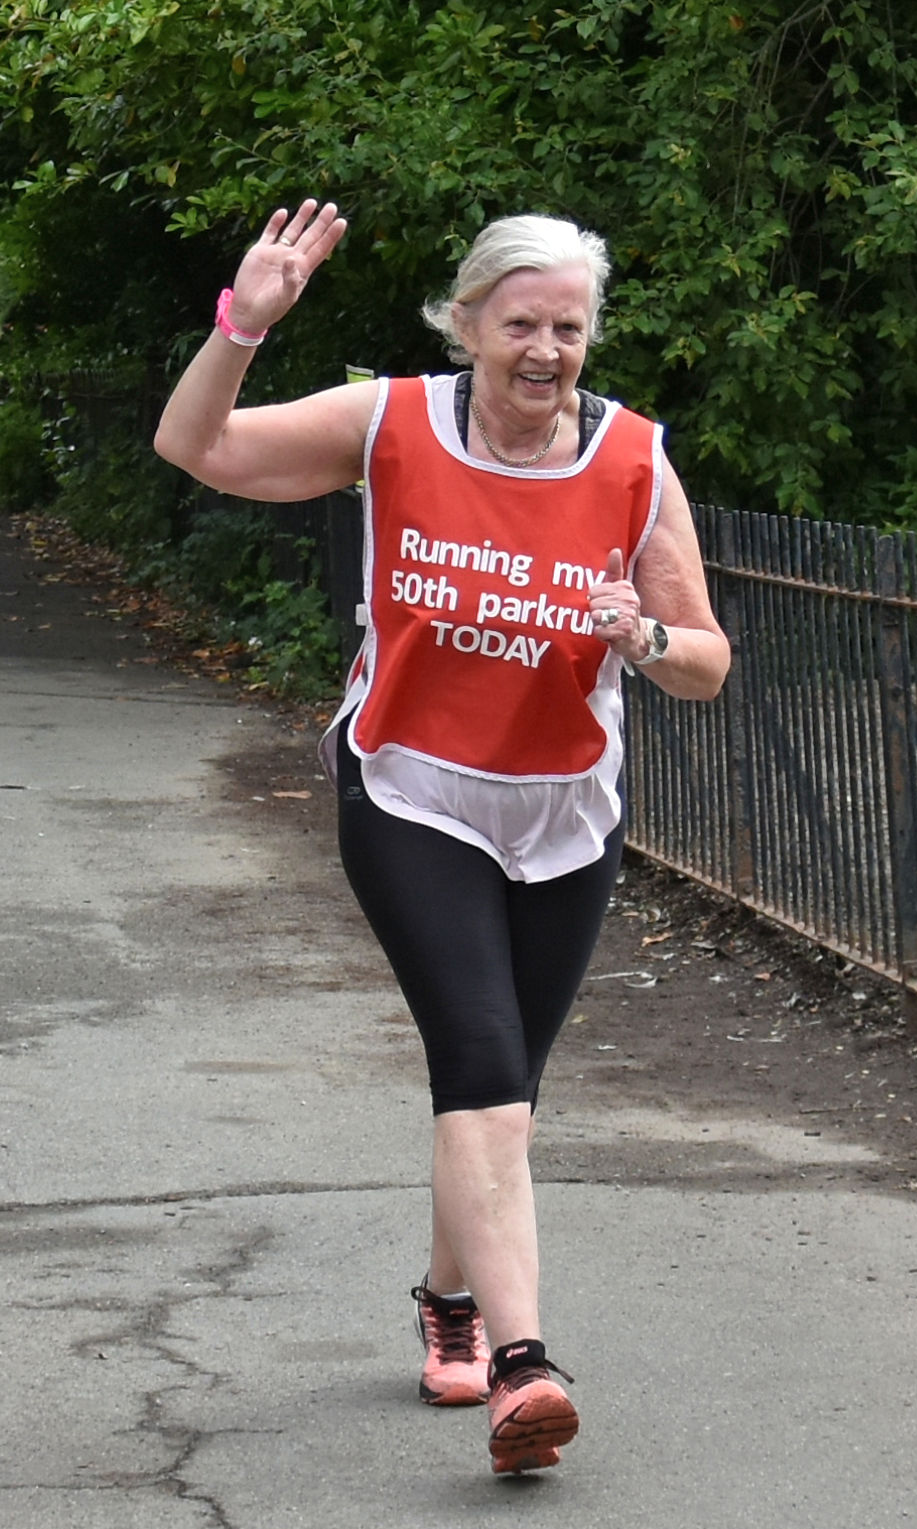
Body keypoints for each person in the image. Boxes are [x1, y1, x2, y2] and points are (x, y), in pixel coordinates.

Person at [154, 197, 730, 1476]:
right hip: (411, 791)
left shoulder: (633, 459)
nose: (545, 349)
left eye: (569, 328)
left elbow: (707, 659)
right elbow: (196, 446)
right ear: (467, 323)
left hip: (564, 815)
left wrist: (640, 636)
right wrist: (243, 326)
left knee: (502, 1090)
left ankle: (449, 1301)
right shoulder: (394, 422)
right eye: (520, 322)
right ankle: (525, 1367)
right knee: (482, 1067)